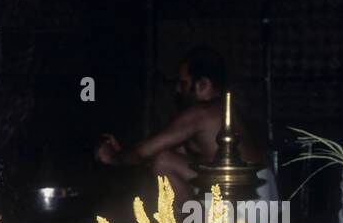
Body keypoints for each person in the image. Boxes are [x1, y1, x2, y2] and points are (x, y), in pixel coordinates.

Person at [95, 45, 273, 201]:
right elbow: (150, 154)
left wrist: (113, 158)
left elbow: (145, 152)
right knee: (168, 156)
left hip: (248, 198)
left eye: (183, 83)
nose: (178, 90)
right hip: (257, 193)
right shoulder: (225, 110)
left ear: (203, 85)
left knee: (164, 161)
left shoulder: (203, 113)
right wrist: (125, 154)